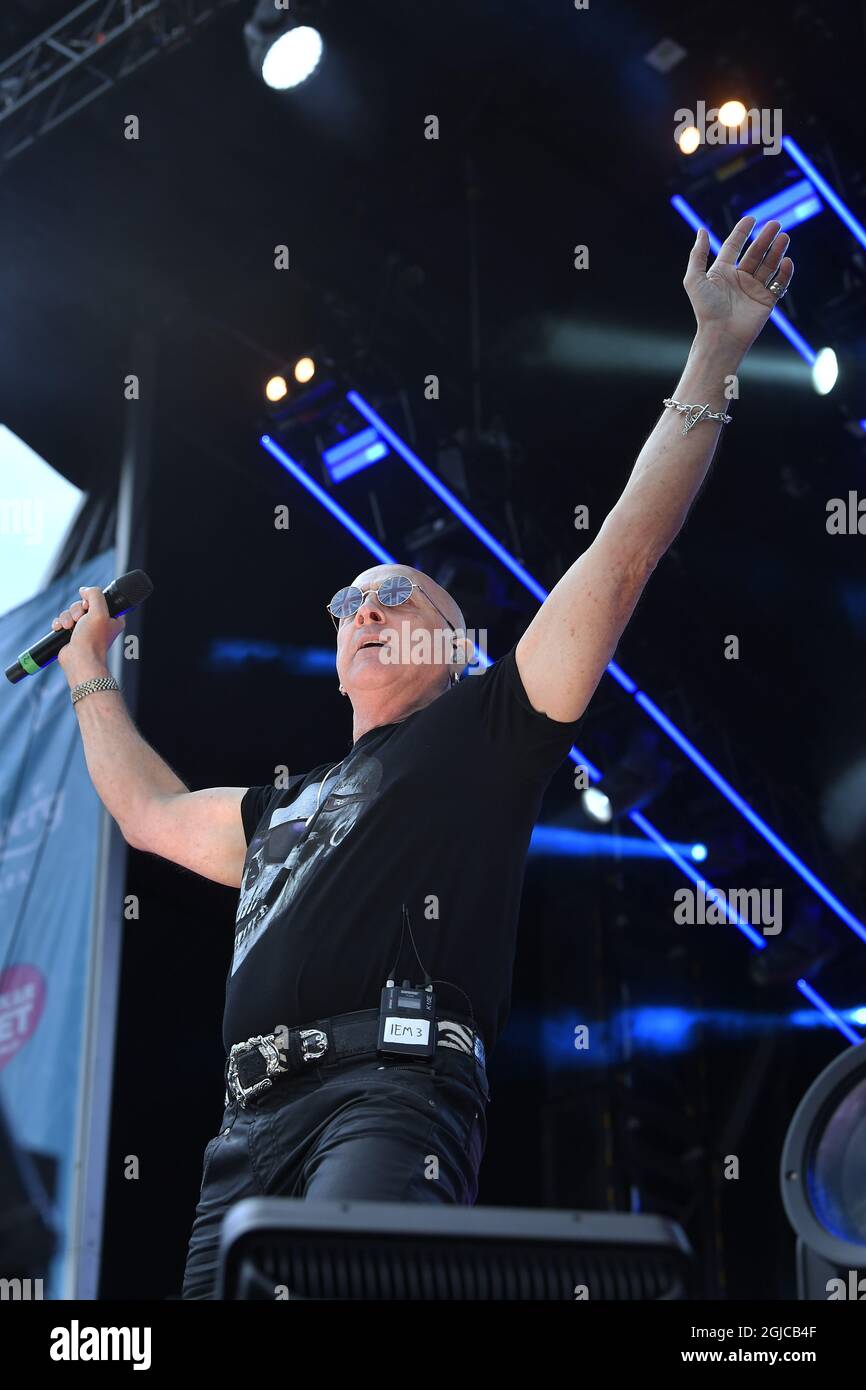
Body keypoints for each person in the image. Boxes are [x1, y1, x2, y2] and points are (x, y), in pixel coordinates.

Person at [54, 216, 793, 1298]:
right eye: (347, 599)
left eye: (396, 591)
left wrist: (714, 351)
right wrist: (88, 669)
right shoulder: (282, 809)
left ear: (454, 645)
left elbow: (622, 549)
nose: (363, 607)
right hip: (241, 1132)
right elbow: (148, 812)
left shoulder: (482, 731)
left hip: (388, 1091)